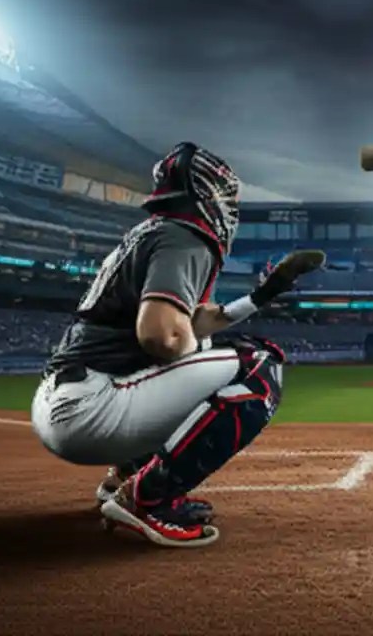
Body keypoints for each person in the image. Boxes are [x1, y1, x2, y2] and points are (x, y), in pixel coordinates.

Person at [30, 141, 324, 548]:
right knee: (259, 366)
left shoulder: (154, 232)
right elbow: (161, 335)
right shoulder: (186, 238)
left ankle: (124, 478)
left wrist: (262, 295)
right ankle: (147, 499)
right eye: (225, 197)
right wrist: (196, 358)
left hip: (66, 399)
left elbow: (190, 323)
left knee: (203, 351)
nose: (230, 207)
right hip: (91, 410)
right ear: (204, 193)